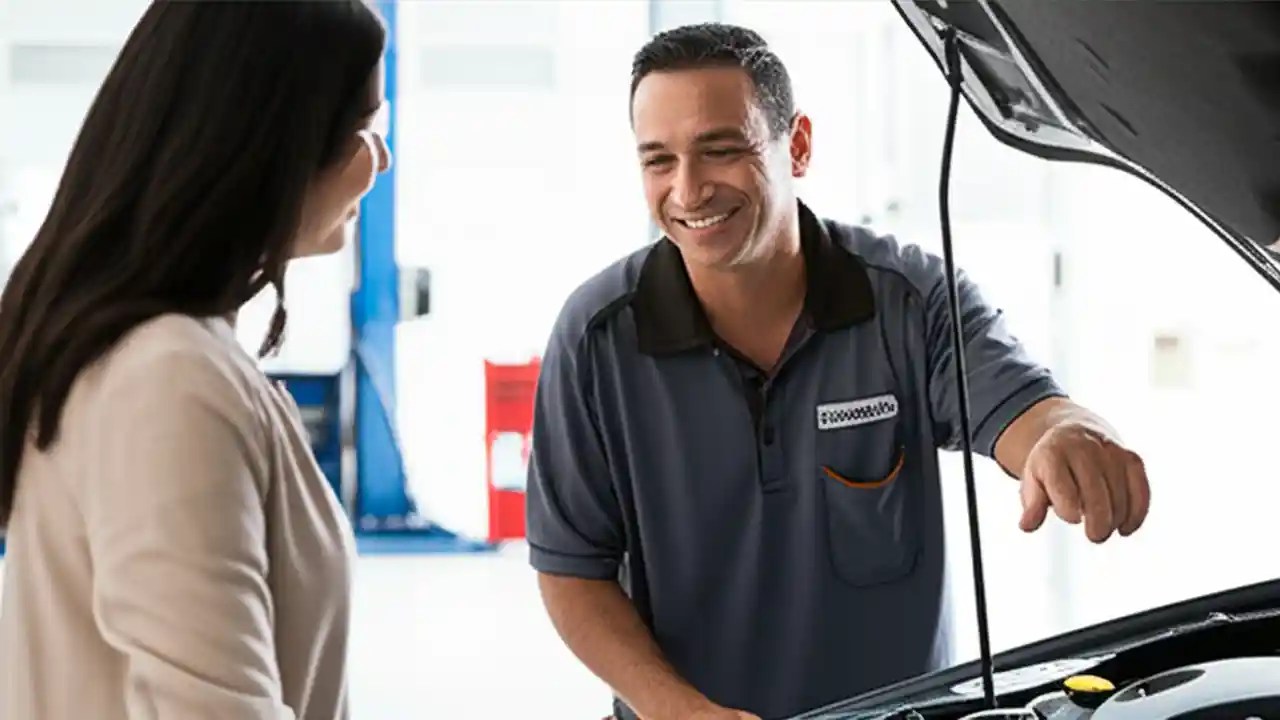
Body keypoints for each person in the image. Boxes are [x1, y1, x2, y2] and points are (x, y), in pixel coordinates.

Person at [526, 22, 1151, 720]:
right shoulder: (595, 338)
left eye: (721, 150)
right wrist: (675, 709)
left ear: (796, 145)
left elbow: (1031, 412)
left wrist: (1070, 434)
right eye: (659, 161)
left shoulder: (911, 301)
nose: (689, 189)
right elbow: (570, 569)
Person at [0, 3, 391, 718]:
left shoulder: (165, 356)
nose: (380, 162)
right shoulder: (168, 377)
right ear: (272, 145)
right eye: (366, 132)